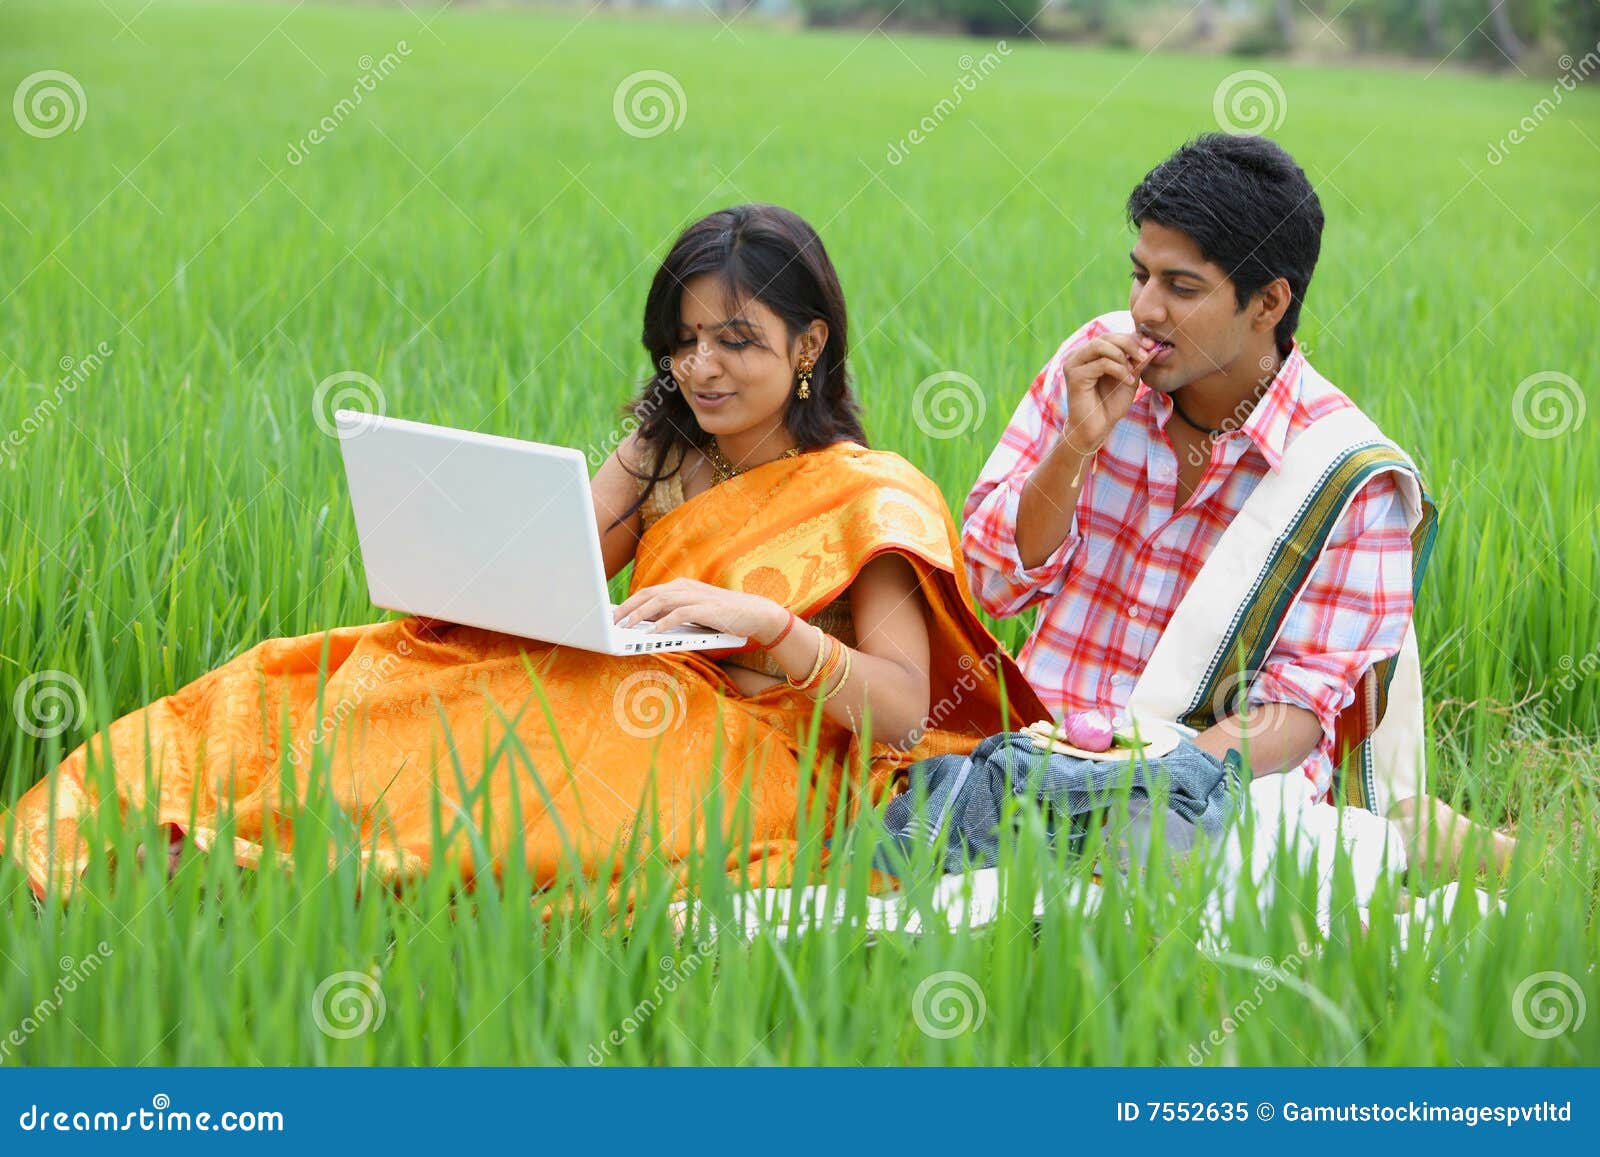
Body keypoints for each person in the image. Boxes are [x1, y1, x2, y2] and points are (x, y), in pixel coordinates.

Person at [1, 203, 1049, 901]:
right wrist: (611, 478)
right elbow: (548, 570)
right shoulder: (666, 449)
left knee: (530, 762)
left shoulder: (871, 492)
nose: (702, 366)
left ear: (809, 344)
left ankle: (321, 869)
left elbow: (907, 710)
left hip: (755, 746)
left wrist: (766, 628)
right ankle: (212, 828)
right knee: (357, 671)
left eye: (735, 339)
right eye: (681, 342)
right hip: (625, 688)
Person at [961, 133, 1513, 880]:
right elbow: (994, 585)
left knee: (1157, 871)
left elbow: (1295, 714)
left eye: (1181, 288)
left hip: (1216, 784)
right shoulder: (1094, 364)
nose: (1144, 308)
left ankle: (1421, 843)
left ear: (1269, 303)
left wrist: (1136, 783)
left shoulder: (1348, 475)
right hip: (1034, 743)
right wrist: (1074, 446)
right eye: (1139, 274)